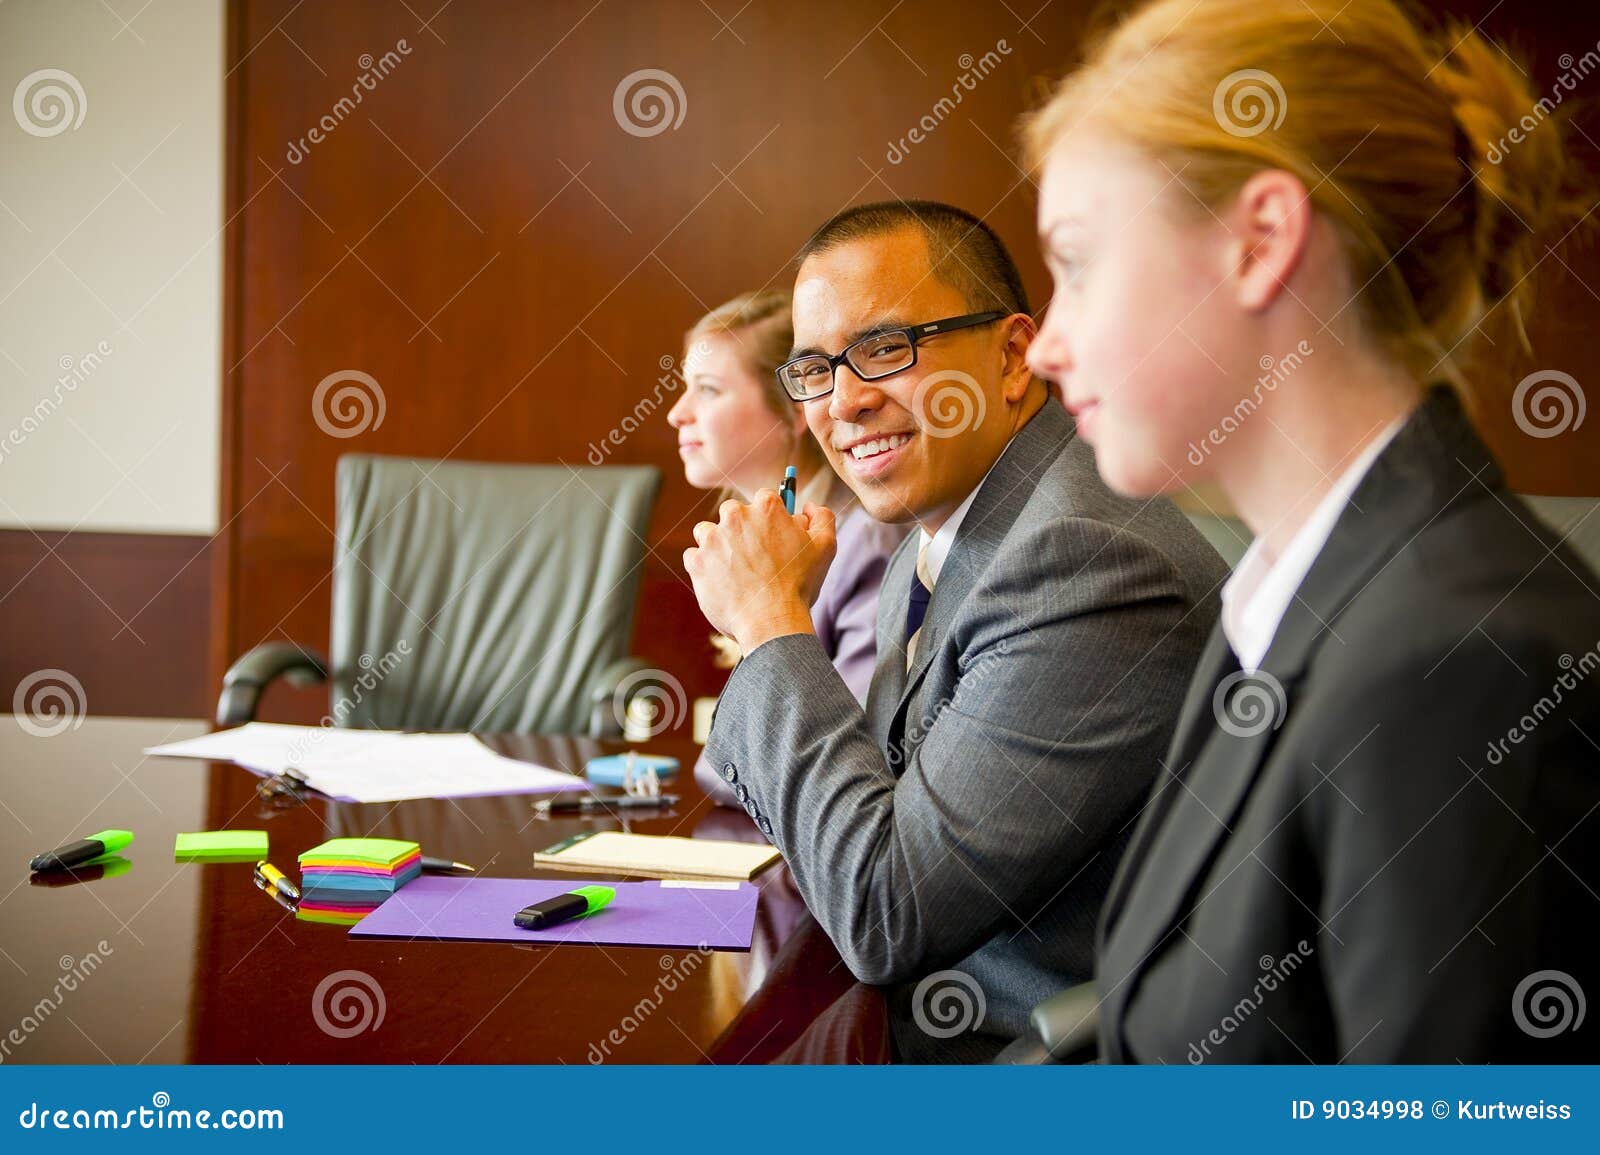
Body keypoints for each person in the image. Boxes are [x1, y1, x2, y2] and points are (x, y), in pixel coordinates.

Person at [1021, 0, 1600, 1062]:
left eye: (1077, 261)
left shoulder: (1463, 665)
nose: (1043, 346)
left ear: (1260, 242)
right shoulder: (1291, 597)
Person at [682, 201, 1229, 1061]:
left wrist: (769, 624)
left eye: (886, 349)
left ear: (1013, 357)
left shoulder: (1085, 561)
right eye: (816, 369)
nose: (845, 402)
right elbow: (874, 819)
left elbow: (885, 912)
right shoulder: (947, 528)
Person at [666, 292, 907, 805]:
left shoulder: (865, 544)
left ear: (795, 410)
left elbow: (851, 766)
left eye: (708, 390)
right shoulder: (751, 544)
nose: (676, 413)